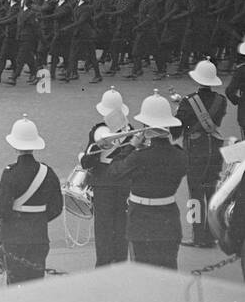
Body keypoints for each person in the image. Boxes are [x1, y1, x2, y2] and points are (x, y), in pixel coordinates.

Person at [0, 116, 63, 284]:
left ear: (15, 145)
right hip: (39, 236)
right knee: (35, 285)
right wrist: (38, 219)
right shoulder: (48, 172)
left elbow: (2, 210)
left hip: (15, 239)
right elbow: (57, 208)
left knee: (16, 285)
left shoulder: (10, 172)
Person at [111, 92, 188, 270]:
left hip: (141, 221)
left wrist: (131, 146)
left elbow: (115, 171)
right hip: (169, 220)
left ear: (146, 126)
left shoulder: (139, 157)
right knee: (168, 274)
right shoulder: (180, 155)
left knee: (144, 278)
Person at [176, 59, 228, 248]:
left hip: (195, 151)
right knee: (212, 192)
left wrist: (179, 109)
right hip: (214, 149)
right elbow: (217, 123)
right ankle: (212, 234)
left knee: (195, 195)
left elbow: (177, 130)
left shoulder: (188, 102)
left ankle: (197, 236)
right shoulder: (221, 101)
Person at [80, 87, 135, 267]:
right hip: (124, 182)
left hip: (103, 184)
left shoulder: (98, 130)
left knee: (104, 230)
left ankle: (103, 265)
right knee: (121, 227)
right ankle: (120, 262)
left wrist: (82, 157)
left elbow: (89, 162)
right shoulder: (130, 129)